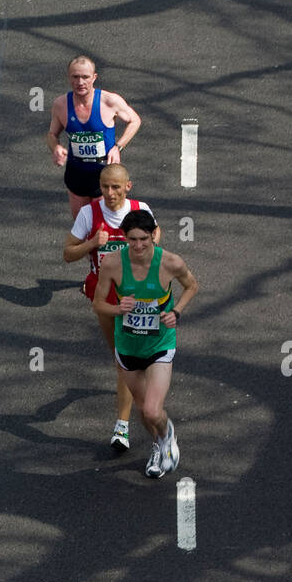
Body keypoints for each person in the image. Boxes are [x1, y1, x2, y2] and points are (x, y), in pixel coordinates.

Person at [92, 210, 198, 479]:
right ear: (125, 238)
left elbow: (191, 286)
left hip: (159, 345)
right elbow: (98, 303)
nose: (138, 246)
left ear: (154, 235)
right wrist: (118, 309)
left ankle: (167, 435)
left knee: (152, 409)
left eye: (143, 239)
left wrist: (176, 312)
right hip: (128, 347)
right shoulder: (113, 264)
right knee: (143, 410)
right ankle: (159, 446)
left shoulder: (170, 262)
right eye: (132, 240)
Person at [63, 164, 160, 452]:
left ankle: (122, 426)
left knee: (125, 359)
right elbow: (68, 253)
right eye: (105, 186)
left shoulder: (139, 209)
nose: (109, 193)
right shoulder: (88, 214)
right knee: (121, 358)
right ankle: (139, 403)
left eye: (116, 187)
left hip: (136, 299)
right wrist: (92, 243)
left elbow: (156, 237)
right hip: (103, 298)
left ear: (128, 186)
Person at [46, 56, 142, 219]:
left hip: (104, 175)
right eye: (75, 77)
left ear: (94, 77)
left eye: (85, 77)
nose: (80, 82)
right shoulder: (61, 104)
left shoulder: (109, 101)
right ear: (69, 77)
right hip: (76, 173)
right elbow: (52, 134)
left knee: (103, 226)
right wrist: (55, 147)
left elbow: (135, 120)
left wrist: (117, 147)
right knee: (81, 225)